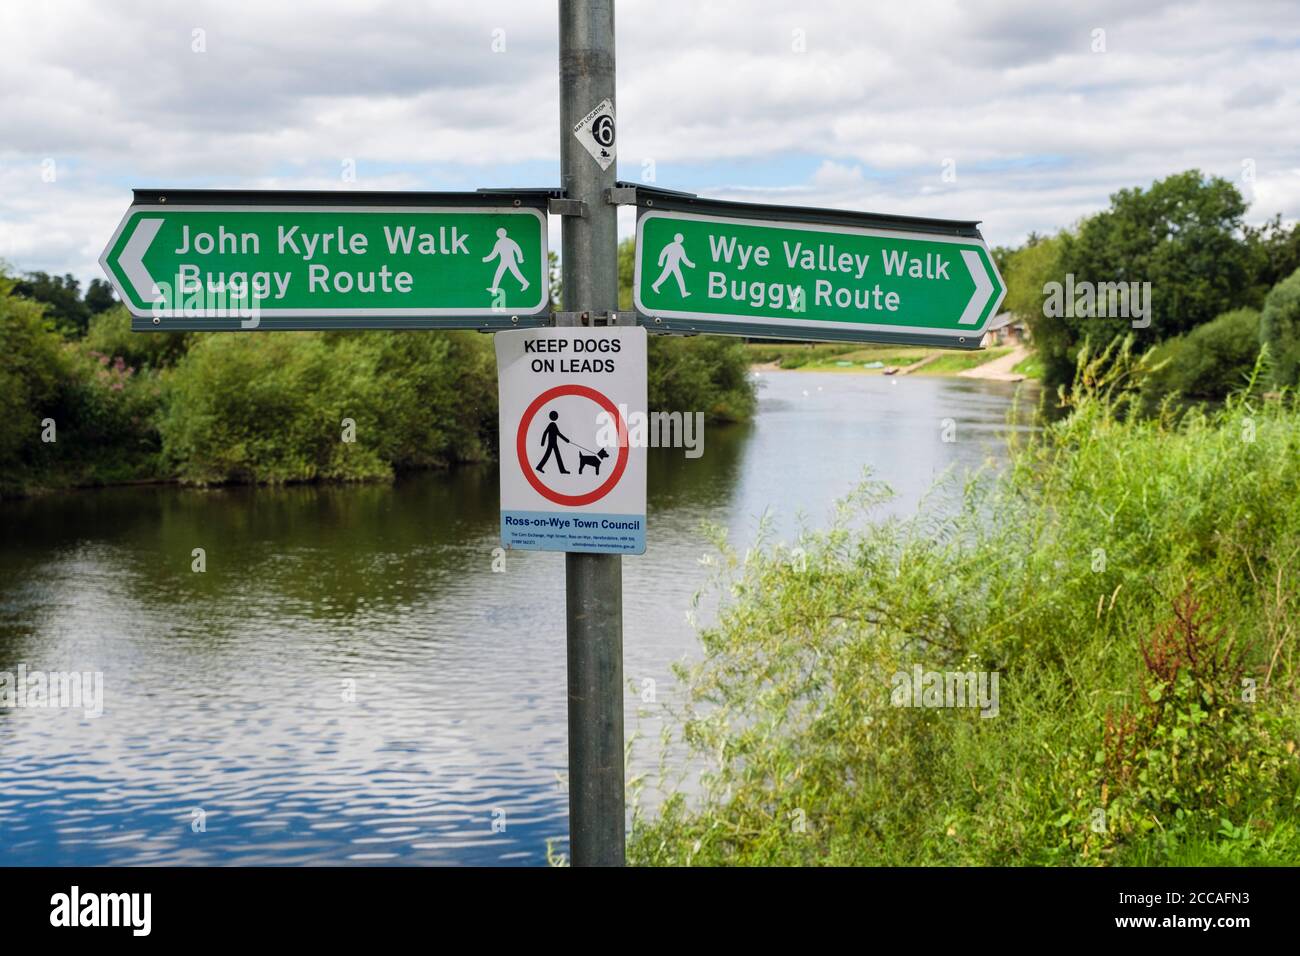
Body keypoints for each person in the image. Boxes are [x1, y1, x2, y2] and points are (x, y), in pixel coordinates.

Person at [483, 227, 530, 294]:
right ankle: (494, 289)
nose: (499, 234)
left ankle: (525, 283)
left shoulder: (508, 241)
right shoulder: (499, 242)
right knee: (500, 273)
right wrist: (486, 259)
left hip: (510, 261)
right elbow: (494, 253)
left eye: (500, 233)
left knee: (513, 273)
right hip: (504, 261)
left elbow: (517, 249)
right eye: (498, 233)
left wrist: (520, 258)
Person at [650, 232, 695, 297]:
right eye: (680, 238)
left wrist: (691, 265)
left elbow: (684, 259)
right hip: (670, 265)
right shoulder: (672, 246)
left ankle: (683, 293)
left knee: (678, 277)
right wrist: (660, 261)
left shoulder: (680, 248)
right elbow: (663, 252)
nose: (681, 239)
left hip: (675, 266)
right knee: (665, 276)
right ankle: (655, 285)